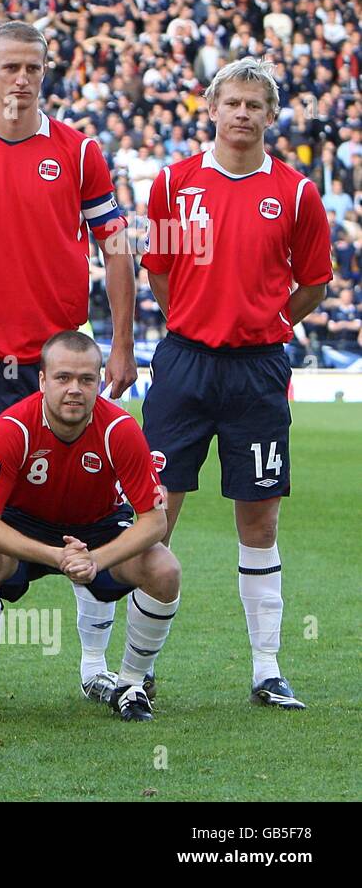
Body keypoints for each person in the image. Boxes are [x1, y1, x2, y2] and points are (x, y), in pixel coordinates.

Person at [0, 21, 138, 702]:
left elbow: (117, 246)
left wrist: (121, 342)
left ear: (46, 71)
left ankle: (93, 668)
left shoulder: (77, 150)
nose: (22, 78)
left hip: (57, 358)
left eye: (33, 67)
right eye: (11, 65)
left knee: (83, 500)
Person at [141, 57, 333, 710]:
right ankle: (137, 672)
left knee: (260, 516)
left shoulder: (299, 194)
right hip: (184, 363)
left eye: (255, 105)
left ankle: (265, 668)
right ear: (212, 108)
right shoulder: (173, 183)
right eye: (233, 103)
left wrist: (268, 322)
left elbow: (313, 283)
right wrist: (191, 321)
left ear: (269, 115)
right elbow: (160, 272)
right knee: (154, 517)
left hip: (258, 369)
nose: (243, 114)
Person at [0, 331, 180, 722]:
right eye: (63, 378)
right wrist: (55, 556)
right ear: (42, 381)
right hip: (27, 527)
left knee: (164, 569)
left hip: (99, 526)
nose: (74, 389)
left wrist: (95, 559)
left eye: (86, 379)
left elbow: (154, 521)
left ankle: (131, 684)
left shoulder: (120, 428)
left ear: (99, 381)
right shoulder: (13, 426)